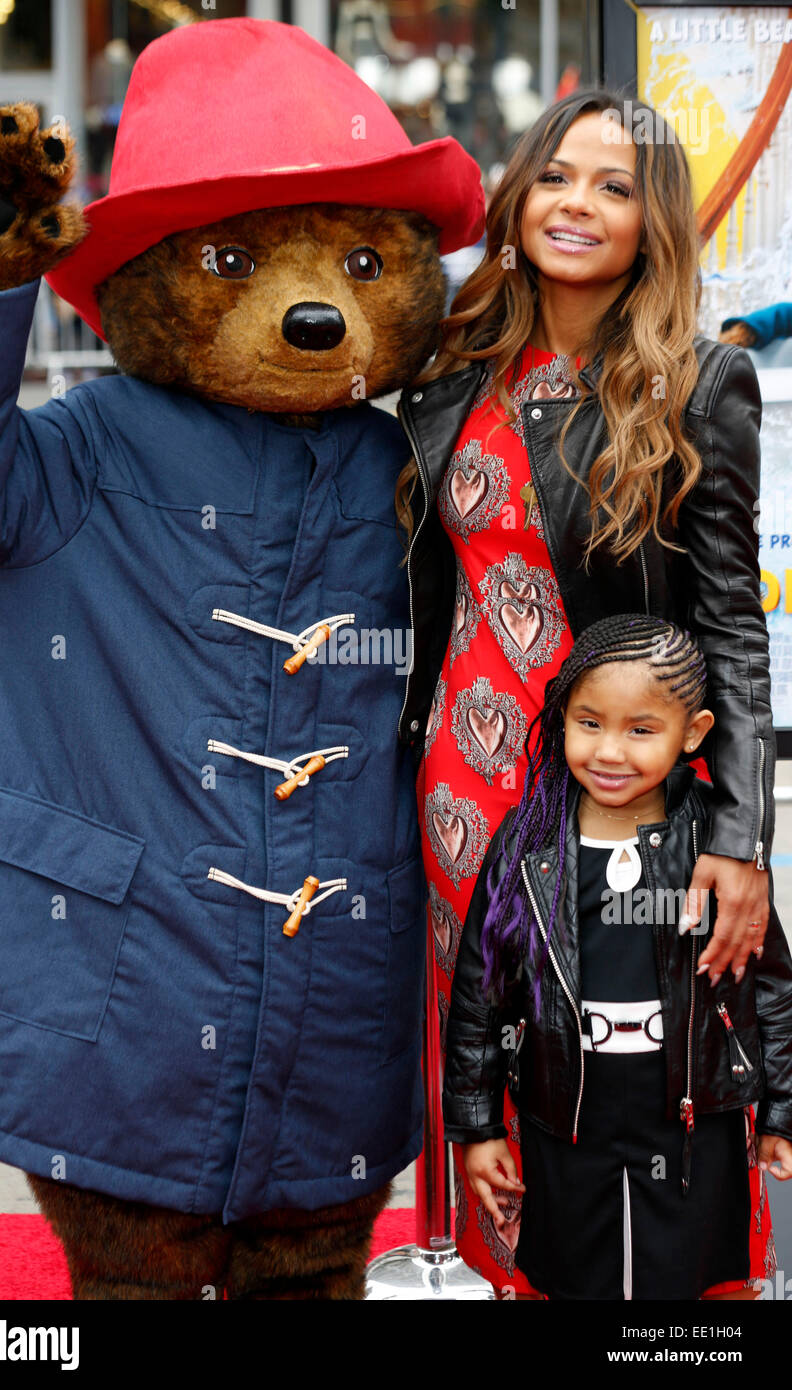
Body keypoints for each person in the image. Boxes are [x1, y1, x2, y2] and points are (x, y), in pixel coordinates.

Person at [393, 88, 775, 1294]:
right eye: (559, 175)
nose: (579, 203)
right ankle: (486, 1275)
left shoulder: (700, 386)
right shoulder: (454, 369)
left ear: (651, 222)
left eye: (616, 186)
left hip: (607, 786)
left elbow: (730, 624)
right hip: (457, 775)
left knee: (604, 1066)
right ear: (519, 197)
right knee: (476, 1047)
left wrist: (741, 833)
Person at [441, 615, 792, 1301]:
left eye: (640, 730)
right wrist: (478, 1128)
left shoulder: (712, 846)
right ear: (562, 717)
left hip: (690, 1119)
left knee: (685, 1277)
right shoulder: (529, 839)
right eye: (589, 723)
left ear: (691, 734)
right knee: (574, 1272)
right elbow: (479, 998)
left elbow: (771, 984)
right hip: (570, 1119)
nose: (609, 751)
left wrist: (781, 1111)